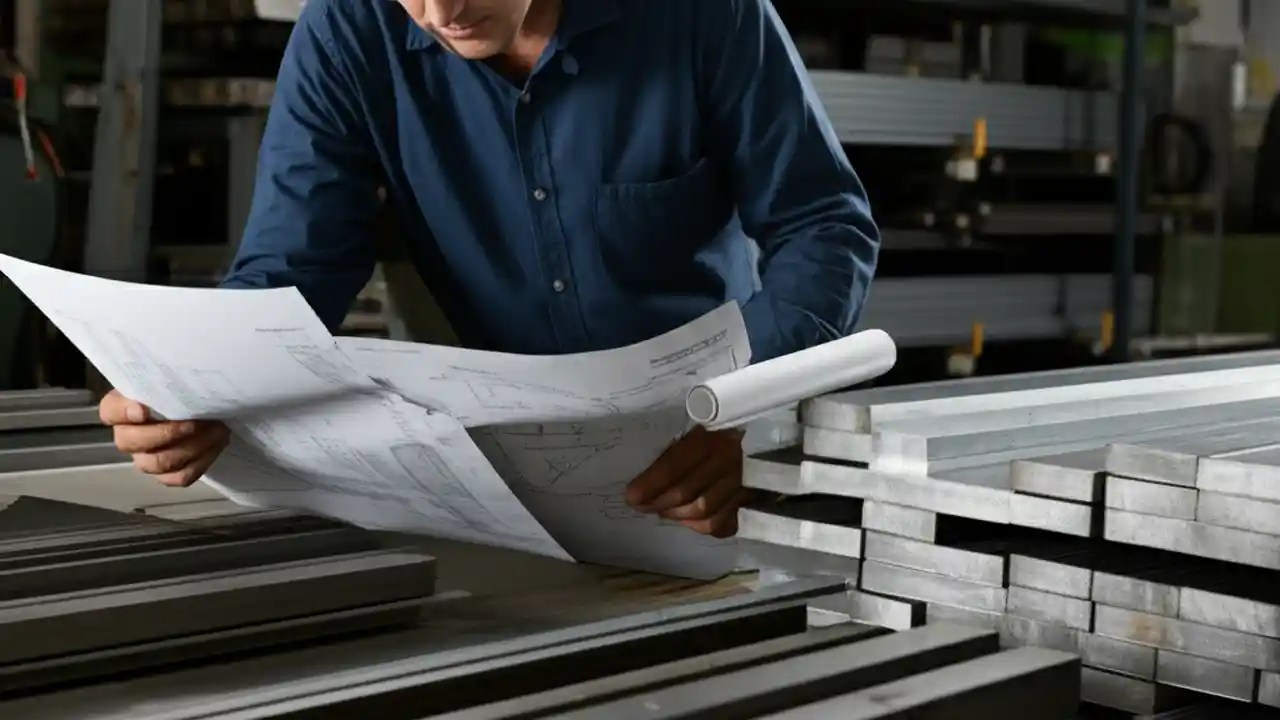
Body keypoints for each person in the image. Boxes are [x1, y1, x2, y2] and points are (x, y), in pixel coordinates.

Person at [98, 0, 880, 540]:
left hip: (698, 453)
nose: (441, 13)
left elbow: (822, 226)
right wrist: (194, 389)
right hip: (495, 480)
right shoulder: (346, 33)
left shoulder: (705, 16)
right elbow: (290, 273)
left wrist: (743, 412)